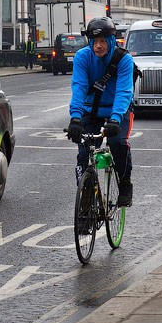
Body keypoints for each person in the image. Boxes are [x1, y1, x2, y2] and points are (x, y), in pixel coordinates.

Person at [65, 17, 135, 206]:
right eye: (95, 41)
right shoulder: (82, 57)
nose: (98, 46)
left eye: (103, 41)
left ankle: (125, 183)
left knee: (117, 142)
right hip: (91, 110)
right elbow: (78, 87)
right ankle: (86, 196)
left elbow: (123, 91)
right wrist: (76, 119)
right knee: (83, 153)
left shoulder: (124, 59)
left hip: (117, 111)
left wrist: (115, 119)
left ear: (111, 40)